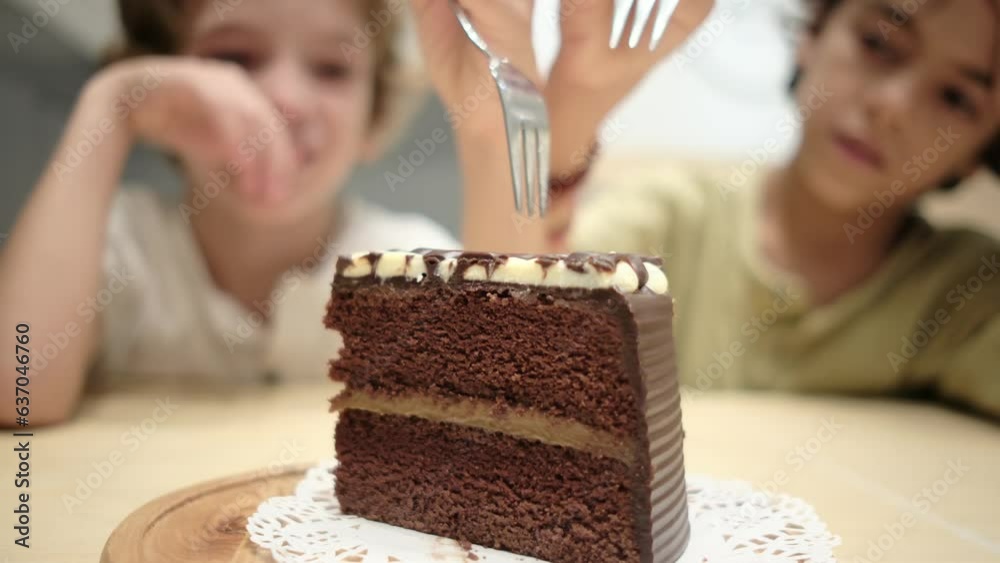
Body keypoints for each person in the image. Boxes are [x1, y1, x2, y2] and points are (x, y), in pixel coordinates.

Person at [450, 0, 1000, 417]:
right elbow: (499, 351)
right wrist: (562, 120)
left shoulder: (967, 296)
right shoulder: (670, 217)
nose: (891, 106)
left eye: (956, 97)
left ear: (981, 154)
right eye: (879, 43)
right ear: (813, 33)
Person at [0, 0, 460, 426]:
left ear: (374, 113)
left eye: (332, 68)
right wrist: (113, 104)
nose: (287, 101)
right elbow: (15, 394)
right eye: (234, 58)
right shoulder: (113, 245)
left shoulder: (412, 265)